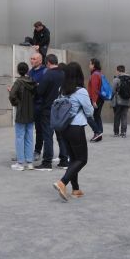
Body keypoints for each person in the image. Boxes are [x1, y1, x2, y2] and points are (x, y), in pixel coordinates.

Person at [52, 62, 94, 201]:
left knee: (73, 158)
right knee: (82, 159)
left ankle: (76, 189)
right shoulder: (81, 91)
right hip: (76, 128)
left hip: (64, 128)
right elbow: (89, 111)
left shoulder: (61, 90)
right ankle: (62, 182)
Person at [37, 54, 67, 168]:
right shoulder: (63, 74)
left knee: (48, 136)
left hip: (49, 109)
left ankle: (47, 162)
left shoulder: (48, 74)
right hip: (61, 109)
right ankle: (64, 160)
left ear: (48, 62)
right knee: (61, 136)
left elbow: (40, 91)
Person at [9, 62, 37, 171]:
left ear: (18, 70)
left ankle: (20, 162)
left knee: (20, 137)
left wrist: (17, 103)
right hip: (31, 112)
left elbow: (12, 95)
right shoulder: (32, 82)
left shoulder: (18, 82)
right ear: (27, 70)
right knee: (29, 137)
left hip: (21, 112)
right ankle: (29, 162)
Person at [28, 53, 52, 170]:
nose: (31, 60)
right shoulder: (30, 71)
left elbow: (43, 88)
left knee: (39, 130)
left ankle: (37, 150)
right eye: (31, 58)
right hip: (30, 105)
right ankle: (26, 153)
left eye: (34, 59)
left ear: (40, 60)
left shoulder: (45, 72)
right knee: (27, 129)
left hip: (40, 106)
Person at [86, 58, 105, 142]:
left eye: (90, 64)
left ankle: (97, 132)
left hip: (95, 99)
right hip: (100, 98)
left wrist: (93, 101)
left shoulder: (94, 75)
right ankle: (99, 133)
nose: (89, 65)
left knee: (89, 116)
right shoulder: (99, 73)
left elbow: (94, 89)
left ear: (94, 65)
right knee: (97, 116)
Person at [111, 65, 130, 137]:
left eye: (116, 70)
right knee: (124, 116)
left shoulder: (116, 79)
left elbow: (113, 91)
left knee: (117, 116)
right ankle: (123, 133)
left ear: (118, 71)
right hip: (127, 101)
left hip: (118, 101)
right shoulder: (129, 78)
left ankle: (116, 132)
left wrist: (110, 97)